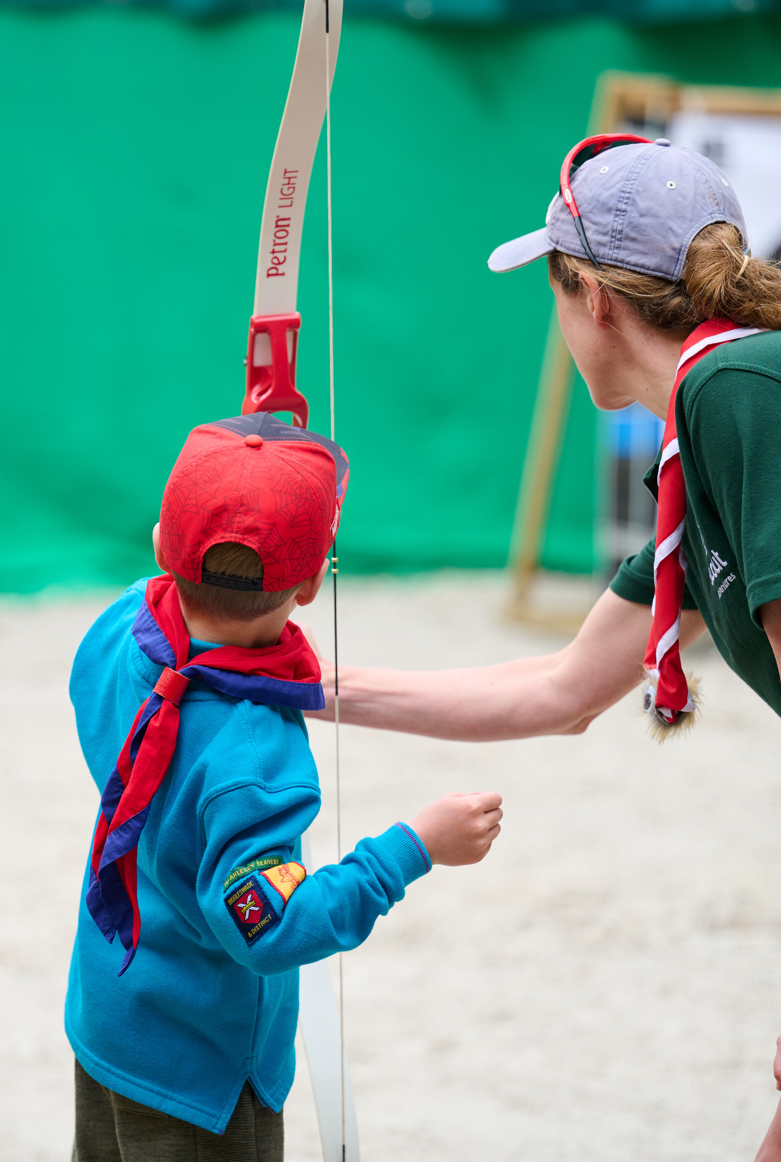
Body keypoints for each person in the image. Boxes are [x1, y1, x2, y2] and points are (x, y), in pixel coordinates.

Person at [317, 138, 781, 1161]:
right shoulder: (720, 417)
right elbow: (562, 690)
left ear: (594, 298)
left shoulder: (740, 389)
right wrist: (305, 686)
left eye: (553, 289)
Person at [65, 412, 504, 1161]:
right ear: (310, 585)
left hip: (110, 1015)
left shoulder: (119, 626)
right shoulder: (254, 757)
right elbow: (266, 927)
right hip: (197, 1080)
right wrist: (411, 849)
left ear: (162, 544)